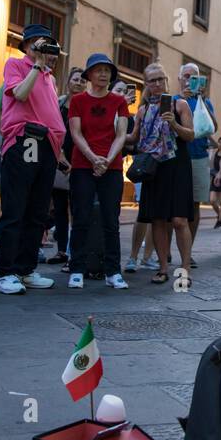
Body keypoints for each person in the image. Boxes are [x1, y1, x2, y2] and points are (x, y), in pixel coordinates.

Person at [0, 25, 65, 294]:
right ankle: (4, 272)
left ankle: (26, 269)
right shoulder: (16, 65)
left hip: (48, 144)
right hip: (25, 140)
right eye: (40, 44)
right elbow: (19, 95)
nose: (46, 51)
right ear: (28, 45)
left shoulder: (50, 77)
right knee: (15, 208)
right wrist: (36, 66)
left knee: (37, 211)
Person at [66, 53, 130, 290]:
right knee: (81, 217)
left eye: (107, 70)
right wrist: (93, 158)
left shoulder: (119, 102)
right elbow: (76, 133)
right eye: (98, 70)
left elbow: (121, 134)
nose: (103, 74)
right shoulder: (78, 100)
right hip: (83, 165)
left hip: (111, 167)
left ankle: (113, 271)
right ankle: (76, 269)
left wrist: (107, 160)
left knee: (111, 220)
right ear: (89, 74)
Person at [131, 61, 196, 284]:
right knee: (158, 220)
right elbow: (134, 138)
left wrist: (174, 125)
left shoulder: (180, 105)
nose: (158, 84)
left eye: (161, 79)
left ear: (166, 81)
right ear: (146, 84)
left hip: (177, 166)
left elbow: (190, 135)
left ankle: (185, 269)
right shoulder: (142, 110)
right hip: (154, 168)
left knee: (179, 220)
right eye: (153, 80)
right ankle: (163, 268)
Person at [47, 67, 86, 266]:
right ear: (69, 82)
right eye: (76, 79)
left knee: (77, 209)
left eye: (82, 80)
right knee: (60, 208)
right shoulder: (59, 103)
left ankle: (75, 252)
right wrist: (60, 158)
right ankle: (61, 250)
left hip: (81, 162)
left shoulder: (87, 106)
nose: (79, 83)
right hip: (60, 162)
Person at [178, 62, 216, 257]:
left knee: (194, 206)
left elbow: (213, 128)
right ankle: (165, 252)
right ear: (179, 79)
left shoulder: (205, 102)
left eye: (193, 78)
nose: (188, 81)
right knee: (173, 207)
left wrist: (201, 99)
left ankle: (188, 250)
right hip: (177, 159)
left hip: (199, 158)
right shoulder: (175, 100)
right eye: (186, 76)